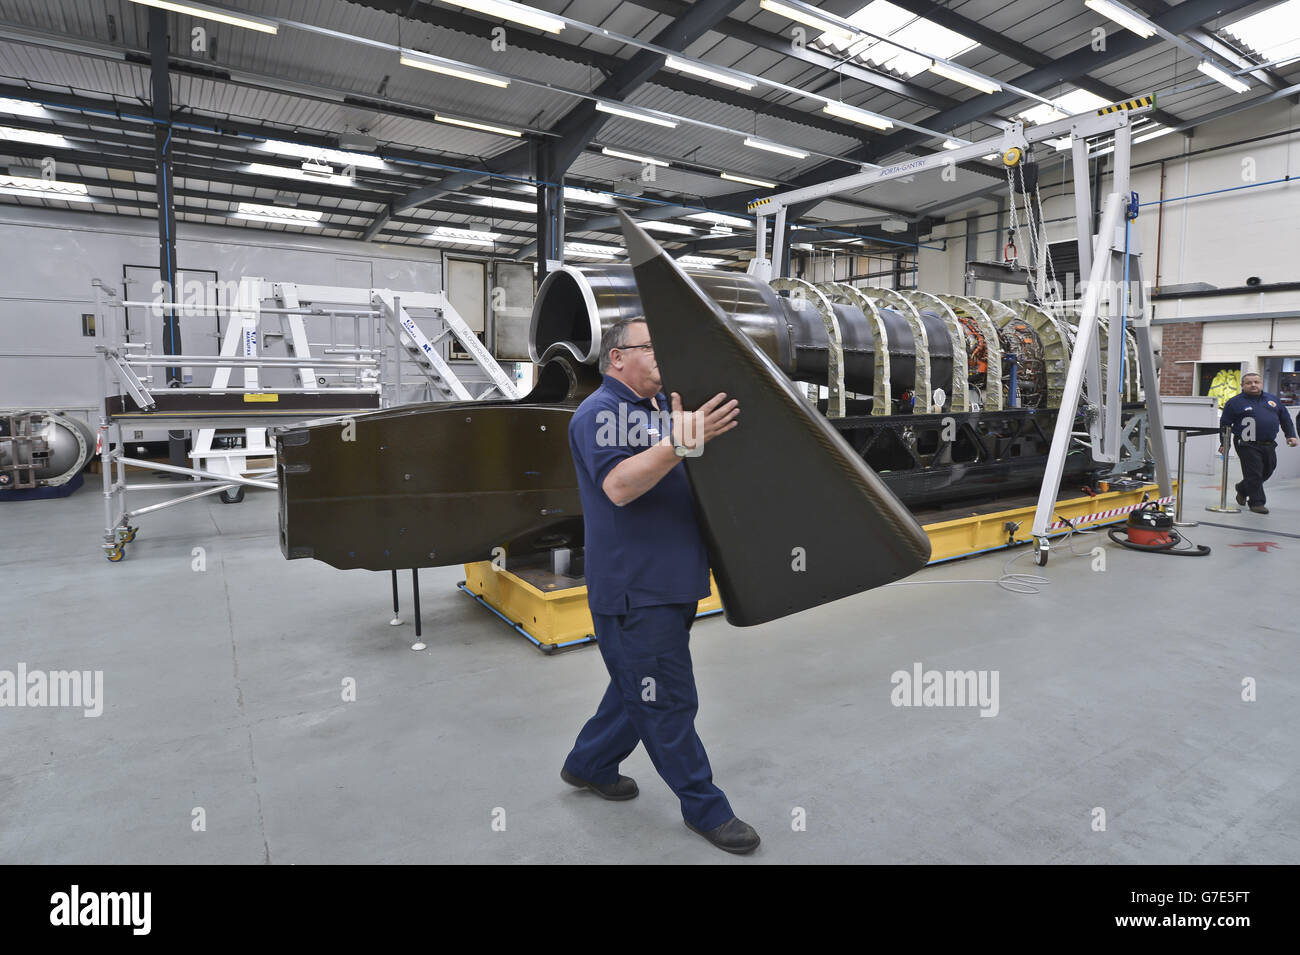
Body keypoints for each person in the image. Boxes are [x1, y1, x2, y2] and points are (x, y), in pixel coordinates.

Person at [559, 316, 759, 854]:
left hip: (671, 584)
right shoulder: (597, 414)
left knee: (634, 690)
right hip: (635, 591)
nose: (660, 355)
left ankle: (589, 763)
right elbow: (620, 487)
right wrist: (681, 441)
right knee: (667, 701)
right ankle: (706, 809)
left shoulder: (653, 412)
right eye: (650, 347)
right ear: (616, 357)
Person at [1218, 371, 1297, 514]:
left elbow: (1285, 419)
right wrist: (1225, 443)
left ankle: (1242, 489)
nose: (1253, 385)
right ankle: (1257, 503)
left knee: (1268, 469)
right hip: (1246, 442)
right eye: (1249, 383)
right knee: (1254, 473)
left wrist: (1290, 435)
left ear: (1261, 383)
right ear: (1242, 385)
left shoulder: (1273, 400)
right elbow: (1225, 424)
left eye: (1256, 382)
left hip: (1268, 443)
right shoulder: (1234, 403)